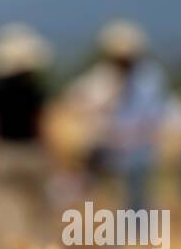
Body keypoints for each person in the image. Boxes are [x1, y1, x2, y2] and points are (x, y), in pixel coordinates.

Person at [69, 20, 167, 211]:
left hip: (138, 151)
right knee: (108, 203)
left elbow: (155, 116)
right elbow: (77, 101)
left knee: (136, 204)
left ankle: (135, 238)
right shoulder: (101, 78)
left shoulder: (149, 78)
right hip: (109, 151)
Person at [0, 23, 54, 240]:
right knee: (39, 213)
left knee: (8, 214)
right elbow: (41, 126)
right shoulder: (36, 90)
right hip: (32, 152)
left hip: (4, 153)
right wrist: (52, 156)